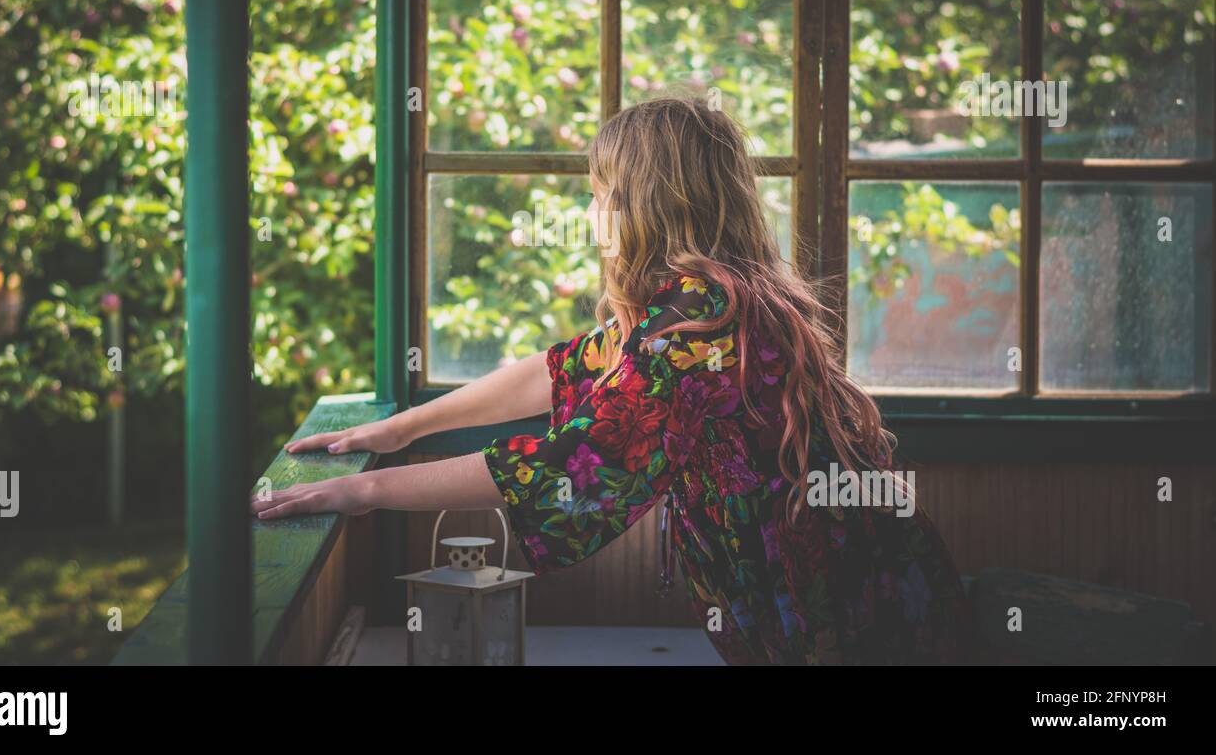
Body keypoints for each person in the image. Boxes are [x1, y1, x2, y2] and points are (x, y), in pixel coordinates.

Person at [253, 94, 969, 665]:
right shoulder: (702, 300)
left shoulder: (699, 329)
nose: (590, 211)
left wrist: (367, 488)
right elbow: (559, 370)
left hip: (838, 608)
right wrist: (405, 425)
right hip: (829, 589)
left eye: (601, 192)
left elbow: (569, 467)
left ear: (648, 202)